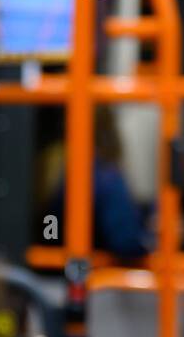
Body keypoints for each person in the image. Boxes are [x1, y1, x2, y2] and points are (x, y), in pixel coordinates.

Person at [41, 106, 152, 259]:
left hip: (56, 267)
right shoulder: (105, 177)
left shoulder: (59, 166)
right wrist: (152, 238)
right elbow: (125, 242)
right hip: (93, 274)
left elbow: (51, 230)